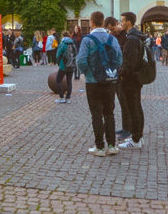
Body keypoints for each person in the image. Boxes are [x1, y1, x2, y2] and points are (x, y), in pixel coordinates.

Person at [76, 11, 122, 157]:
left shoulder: (87, 40)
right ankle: (112, 145)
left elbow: (81, 60)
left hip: (93, 82)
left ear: (92, 22)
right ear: (102, 22)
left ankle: (100, 147)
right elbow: (119, 59)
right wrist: (112, 72)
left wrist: (89, 73)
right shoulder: (112, 39)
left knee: (96, 114)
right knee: (109, 113)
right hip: (109, 81)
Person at [118, 12, 148, 150]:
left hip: (129, 79)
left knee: (132, 109)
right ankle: (138, 137)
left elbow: (129, 62)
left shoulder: (131, 39)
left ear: (129, 22)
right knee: (136, 107)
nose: (121, 23)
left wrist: (121, 73)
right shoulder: (137, 37)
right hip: (136, 78)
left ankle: (135, 139)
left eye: (122, 20)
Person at [54, 29, 77, 103]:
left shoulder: (62, 43)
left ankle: (61, 97)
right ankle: (68, 98)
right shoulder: (72, 43)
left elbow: (58, 55)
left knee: (58, 80)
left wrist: (58, 62)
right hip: (71, 65)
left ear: (63, 36)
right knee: (69, 81)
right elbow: (76, 53)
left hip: (63, 65)